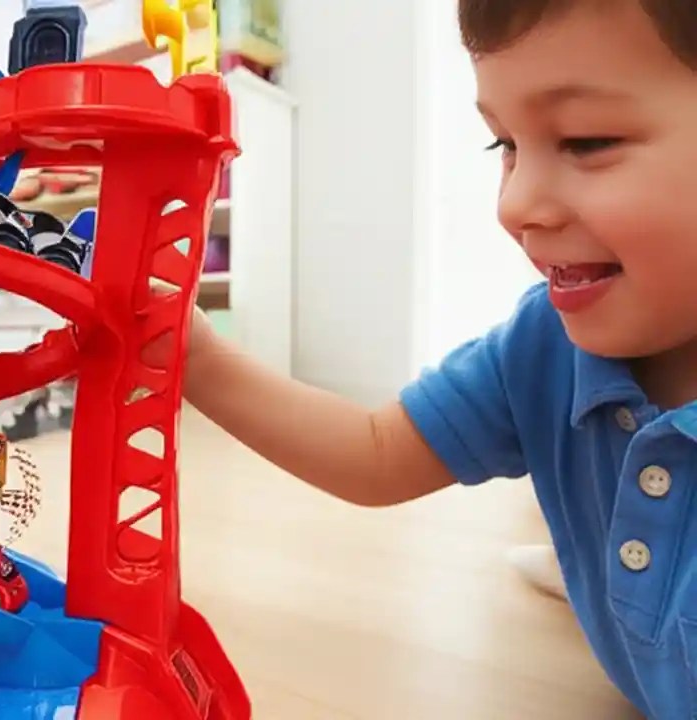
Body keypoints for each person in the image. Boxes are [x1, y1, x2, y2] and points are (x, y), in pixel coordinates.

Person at [180, 0, 697, 716]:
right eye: (504, 146)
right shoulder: (541, 344)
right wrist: (192, 353)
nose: (516, 204)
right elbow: (376, 452)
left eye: (586, 140)